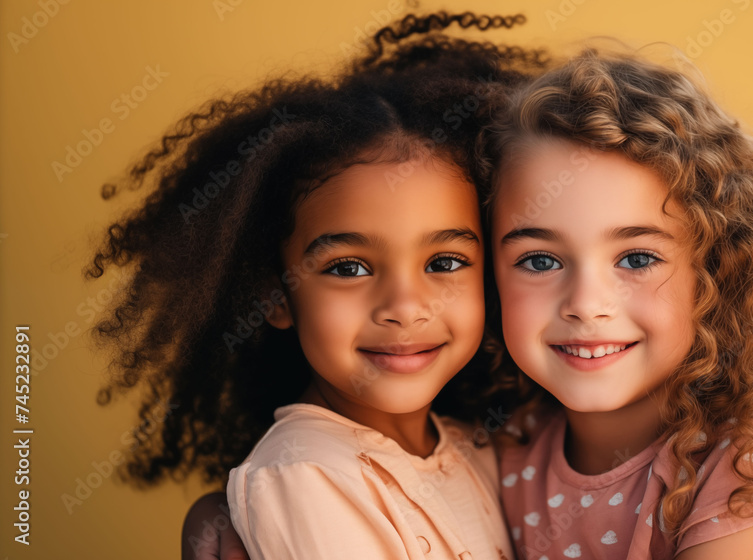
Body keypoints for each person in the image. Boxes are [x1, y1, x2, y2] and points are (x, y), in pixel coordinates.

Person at [86, 13, 546, 560]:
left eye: (445, 261)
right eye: (349, 268)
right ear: (273, 293)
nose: (404, 307)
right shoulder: (303, 475)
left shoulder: (481, 445)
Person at [478, 48, 753, 559]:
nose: (586, 304)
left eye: (637, 258)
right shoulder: (507, 450)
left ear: (715, 273)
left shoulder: (752, 467)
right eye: (539, 261)